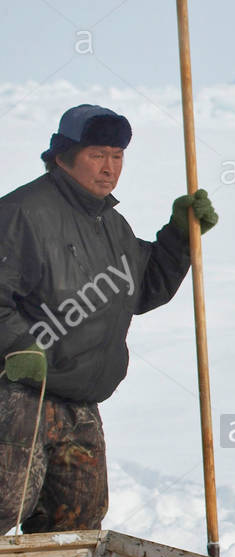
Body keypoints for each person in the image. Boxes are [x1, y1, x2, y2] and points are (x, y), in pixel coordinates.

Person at [0, 104, 217, 534]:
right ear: (63, 155)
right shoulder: (21, 213)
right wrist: (19, 346)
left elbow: (143, 288)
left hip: (79, 398)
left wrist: (179, 234)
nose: (110, 168)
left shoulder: (111, 225)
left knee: (76, 523)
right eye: (98, 154)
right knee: (6, 504)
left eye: (117, 156)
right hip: (20, 391)